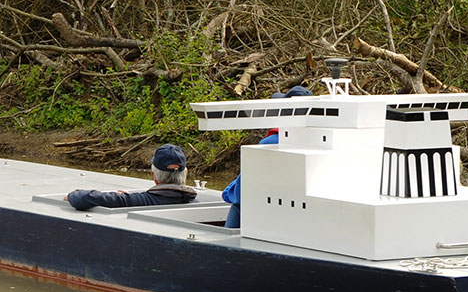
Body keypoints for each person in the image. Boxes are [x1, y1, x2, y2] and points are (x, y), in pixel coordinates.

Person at [222, 85, 313, 228]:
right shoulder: (320, 141)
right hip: (299, 212)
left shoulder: (270, 143)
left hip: (274, 209)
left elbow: (241, 192)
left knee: (237, 205)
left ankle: (224, 246)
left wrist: (228, 192)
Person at [67, 144, 197, 210]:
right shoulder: (192, 198)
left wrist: (126, 198)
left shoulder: (141, 201)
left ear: (155, 177)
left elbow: (81, 198)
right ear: (185, 173)